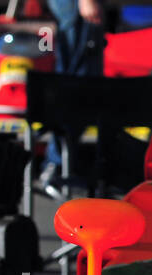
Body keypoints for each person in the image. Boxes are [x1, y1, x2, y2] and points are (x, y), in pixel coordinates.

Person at [37, 0, 105, 196]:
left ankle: (59, 164)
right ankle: (56, 166)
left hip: (73, 9)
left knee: (76, 86)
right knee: (77, 87)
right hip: (75, 9)